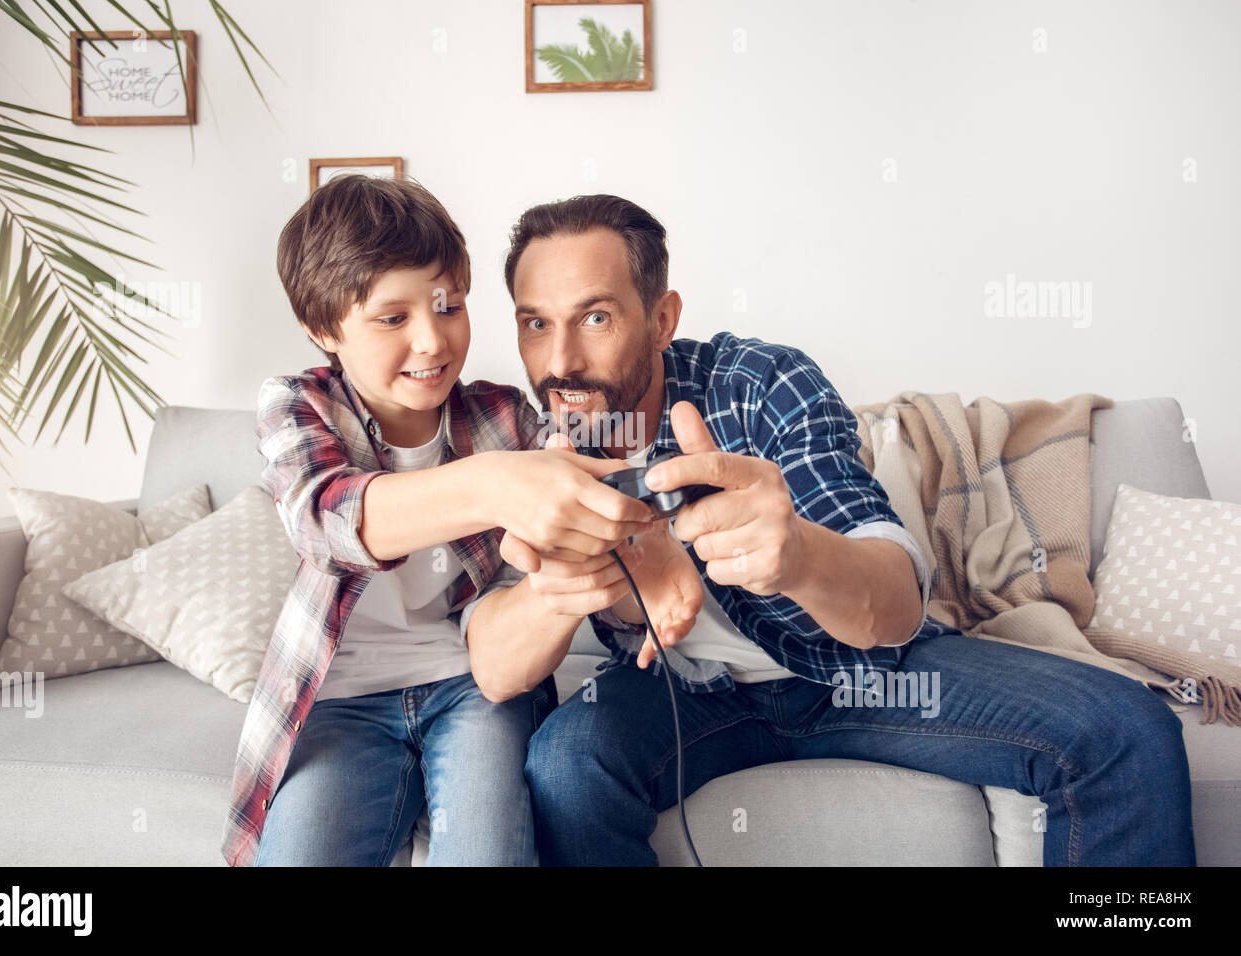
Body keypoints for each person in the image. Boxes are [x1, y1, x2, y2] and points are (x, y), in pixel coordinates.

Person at [462, 194, 1196, 866]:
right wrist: (564, 583)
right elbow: (496, 665)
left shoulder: (761, 385)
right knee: (565, 766)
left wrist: (798, 557)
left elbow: (896, 601)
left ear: (660, 319)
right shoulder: (528, 441)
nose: (559, 361)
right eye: (535, 323)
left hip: (853, 675)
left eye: (595, 318)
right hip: (681, 693)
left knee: (1126, 731)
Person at [221, 176, 659, 866]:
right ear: (323, 327)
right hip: (342, 699)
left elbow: (575, 495)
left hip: (473, 689)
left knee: (488, 851)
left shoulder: (506, 416)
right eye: (393, 319)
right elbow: (329, 522)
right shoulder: (297, 404)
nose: (432, 341)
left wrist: (614, 516)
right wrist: (497, 484)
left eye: (448, 305)